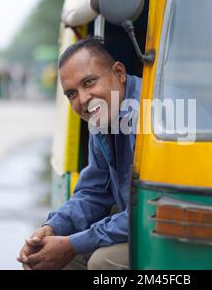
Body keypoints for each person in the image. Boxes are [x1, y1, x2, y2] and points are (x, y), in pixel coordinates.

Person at [17, 37, 141, 270]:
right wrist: (52, 228)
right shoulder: (102, 120)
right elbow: (94, 193)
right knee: (41, 259)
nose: (83, 99)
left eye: (90, 82)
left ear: (119, 73)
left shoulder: (150, 113)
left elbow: (147, 213)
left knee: (103, 263)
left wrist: (73, 243)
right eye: (72, 94)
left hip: (179, 234)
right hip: (140, 226)